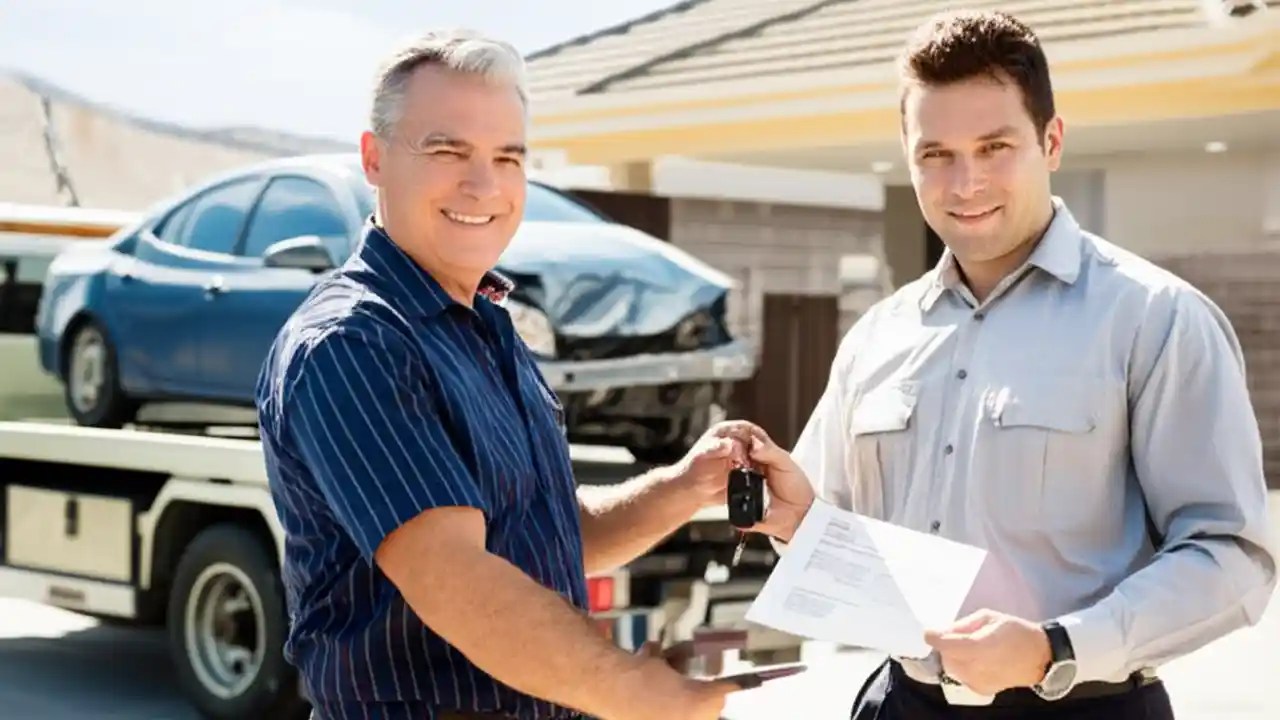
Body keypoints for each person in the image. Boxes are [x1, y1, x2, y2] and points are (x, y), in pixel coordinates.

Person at [732, 9, 1278, 720]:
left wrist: (1056, 645)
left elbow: (1231, 557)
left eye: (994, 147)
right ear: (908, 157)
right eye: (936, 154)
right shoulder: (875, 337)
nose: (965, 183)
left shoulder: (1157, 320)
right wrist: (798, 522)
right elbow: (835, 546)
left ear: (1051, 141)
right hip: (901, 703)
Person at [255, 29, 749, 720]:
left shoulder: (486, 324)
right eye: (447, 150)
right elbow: (453, 575)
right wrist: (630, 689)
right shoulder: (354, 343)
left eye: (506, 157)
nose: (482, 185)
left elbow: (538, 534)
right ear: (374, 158)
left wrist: (684, 487)